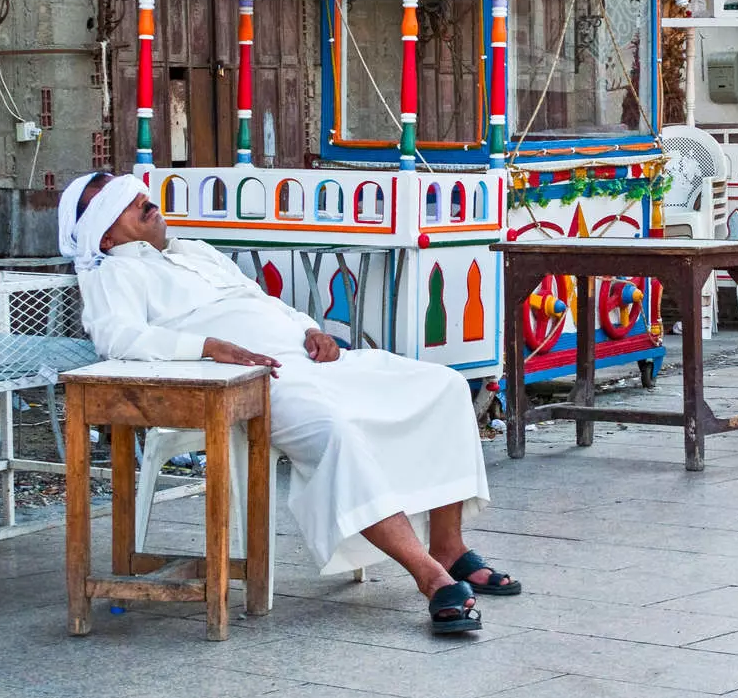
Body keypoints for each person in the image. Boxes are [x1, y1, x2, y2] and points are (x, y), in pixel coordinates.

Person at [59, 172, 517, 635]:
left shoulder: (193, 250)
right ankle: (430, 576)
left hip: (311, 360)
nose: (142, 201)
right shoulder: (114, 271)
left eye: (138, 193)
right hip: (255, 380)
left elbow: (262, 302)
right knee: (333, 431)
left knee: (444, 386)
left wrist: (311, 328)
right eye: (119, 201)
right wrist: (206, 345)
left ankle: (449, 546)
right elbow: (116, 336)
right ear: (105, 233)